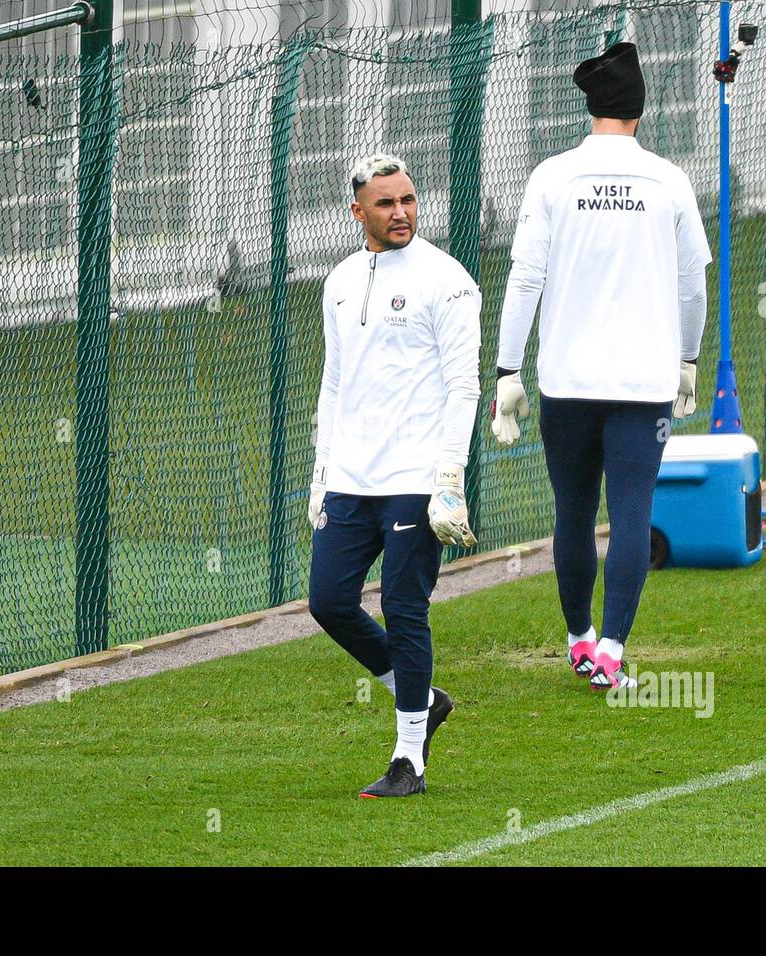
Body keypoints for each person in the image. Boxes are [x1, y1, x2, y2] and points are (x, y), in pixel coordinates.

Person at [490, 42, 711, 690]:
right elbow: (693, 283)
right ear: (640, 111)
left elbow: (525, 278)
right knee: (633, 511)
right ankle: (612, 647)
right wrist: (688, 360)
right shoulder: (668, 179)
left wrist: (506, 371)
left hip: (568, 378)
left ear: (590, 107)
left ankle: (578, 638)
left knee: (574, 512)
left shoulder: (553, 177)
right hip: (643, 380)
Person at [307, 154, 481, 797]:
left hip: (416, 474)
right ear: (359, 213)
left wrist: (448, 480)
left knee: (404, 605)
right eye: (385, 204)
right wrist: (322, 473)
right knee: (327, 600)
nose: (401, 212)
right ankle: (422, 699)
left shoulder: (449, 280)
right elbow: (333, 380)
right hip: (351, 476)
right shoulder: (340, 281)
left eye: (407, 199)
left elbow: (464, 385)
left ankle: (410, 757)